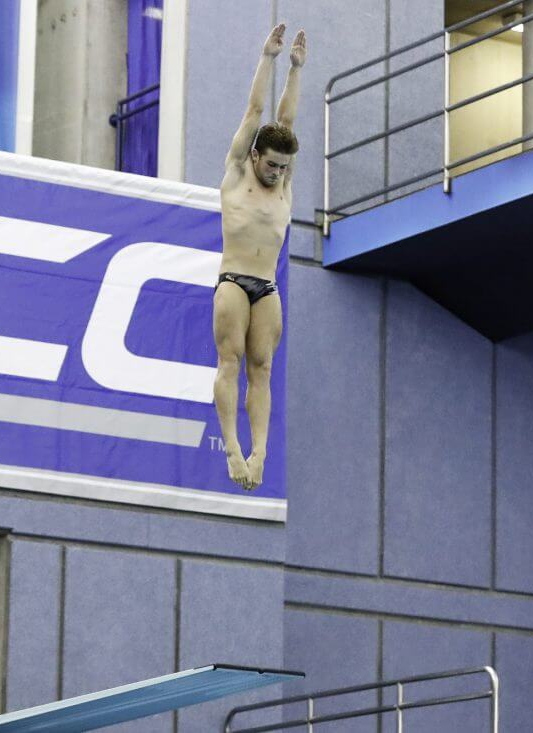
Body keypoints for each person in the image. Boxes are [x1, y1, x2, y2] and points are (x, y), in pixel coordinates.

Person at [214, 20, 305, 491]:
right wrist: (268, 58)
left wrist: (297, 69)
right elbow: (257, 112)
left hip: (267, 287)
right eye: (271, 164)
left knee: (263, 369)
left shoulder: (283, 183)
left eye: (284, 168)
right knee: (230, 363)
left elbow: (286, 124)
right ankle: (232, 447)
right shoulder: (237, 174)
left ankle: (260, 452)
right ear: (254, 157)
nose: (277, 173)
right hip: (233, 281)